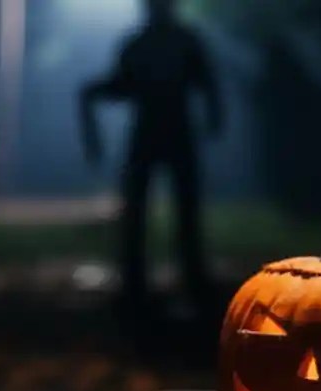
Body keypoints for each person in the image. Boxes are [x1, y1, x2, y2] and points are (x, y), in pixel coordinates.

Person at [79, 0, 223, 318]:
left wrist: (91, 101)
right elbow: (206, 83)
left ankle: (167, 281)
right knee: (150, 210)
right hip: (162, 131)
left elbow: (207, 82)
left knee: (166, 209)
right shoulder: (158, 42)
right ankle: (156, 281)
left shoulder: (159, 42)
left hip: (162, 131)